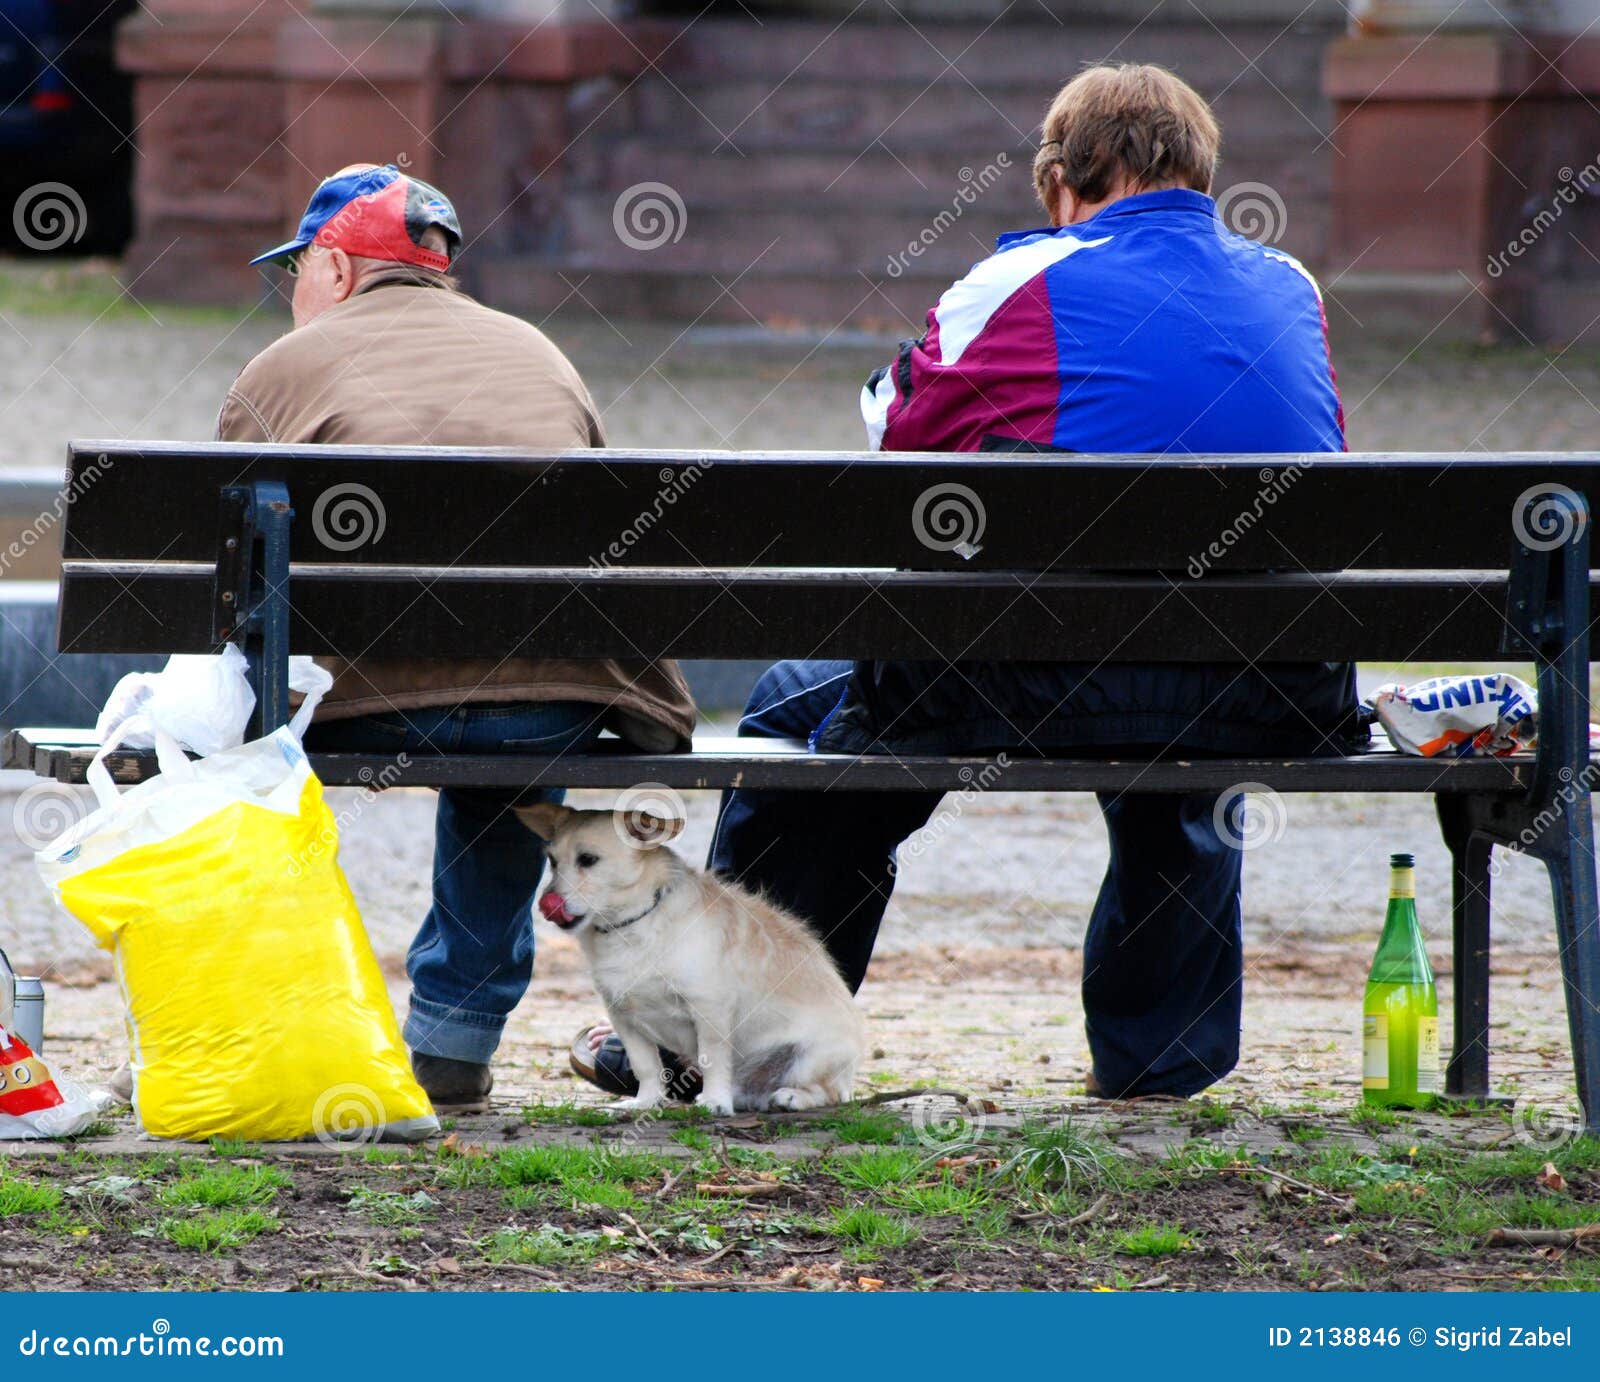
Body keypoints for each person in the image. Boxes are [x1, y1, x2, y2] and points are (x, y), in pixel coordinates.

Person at [572, 63, 1357, 1103]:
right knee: (1177, 715)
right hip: (1265, 683)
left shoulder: (1022, 280)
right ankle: (1161, 1055)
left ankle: (735, 1039)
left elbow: (895, 430)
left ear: (1063, 175)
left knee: (796, 713)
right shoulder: (1290, 286)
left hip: (1013, 678)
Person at [218, 163, 697, 1113]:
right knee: (511, 755)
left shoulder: (284, 369)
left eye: (296, 273)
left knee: (242, 759)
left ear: (340, 268)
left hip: (353, 708)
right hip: (547, 705)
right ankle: (452, 1041)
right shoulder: (539, 353)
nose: (293, 296)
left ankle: (271, 1023)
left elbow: (226, 574)